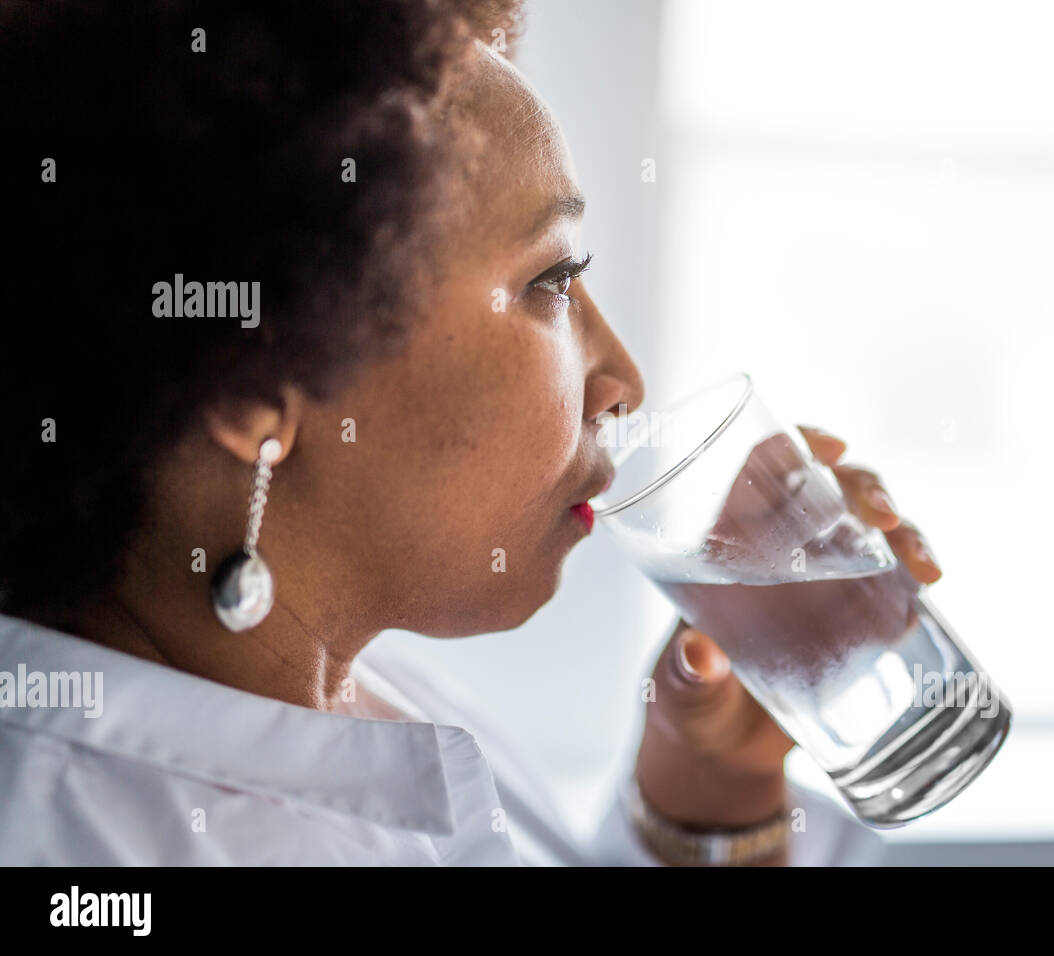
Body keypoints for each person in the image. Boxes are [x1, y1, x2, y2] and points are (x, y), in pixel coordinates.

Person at [0, 0, 943, 866]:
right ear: (256, 387)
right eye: (552, 282)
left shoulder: (377, 704)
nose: (621, 381)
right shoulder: (79, 847)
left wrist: (706, 796)